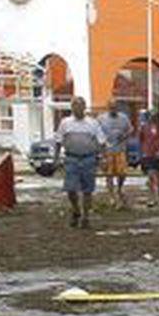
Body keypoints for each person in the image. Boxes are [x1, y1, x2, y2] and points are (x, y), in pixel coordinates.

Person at [53, 96, 106, 229]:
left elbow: (101, 141)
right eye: (75, 106)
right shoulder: (65, 123)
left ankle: (86, 216)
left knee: (88, 189)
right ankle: (76, 209)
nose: (77, 108)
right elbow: (58, 141)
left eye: (80, 106)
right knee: (70, 188)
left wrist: (103, 157)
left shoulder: (92, 123)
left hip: (89, 158)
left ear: (84, 107)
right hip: (71, 158)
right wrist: (56, 157)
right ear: (72, 108)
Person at [95, 105, 135, 208]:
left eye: (115, 107)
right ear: (108, 108)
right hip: (107, 150)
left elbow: (131, 129)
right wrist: (100, 149)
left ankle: (119, 188)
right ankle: (111, 196)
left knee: (122, 173)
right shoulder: (101, 118)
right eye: (111, 107)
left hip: (120, 149)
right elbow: (96, 132)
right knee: (109, 174)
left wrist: (125, 135)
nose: (113, 109)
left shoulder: (123, 117)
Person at [137, 109, 159, 203]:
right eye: (153, 116)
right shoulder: (144, 127)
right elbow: (140, 139)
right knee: (151, 175)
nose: (154, 118)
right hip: (148, 154)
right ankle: (152, 196)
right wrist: (142, 152)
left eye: (157, 117)